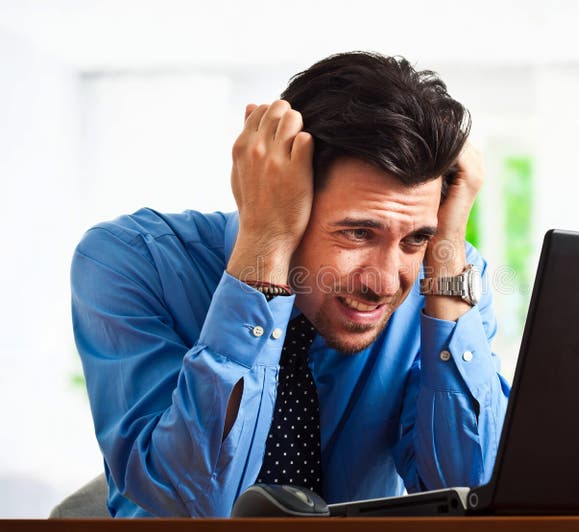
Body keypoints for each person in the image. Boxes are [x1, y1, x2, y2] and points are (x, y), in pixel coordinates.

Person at [71, 51, 510, 517]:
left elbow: (473, 499)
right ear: (284, 194)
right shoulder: (131, 261)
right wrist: (266, 243)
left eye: (416, 237)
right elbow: (194, 507)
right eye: (358, 233)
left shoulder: (446, 280)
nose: (384, 283)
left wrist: (446, 247)